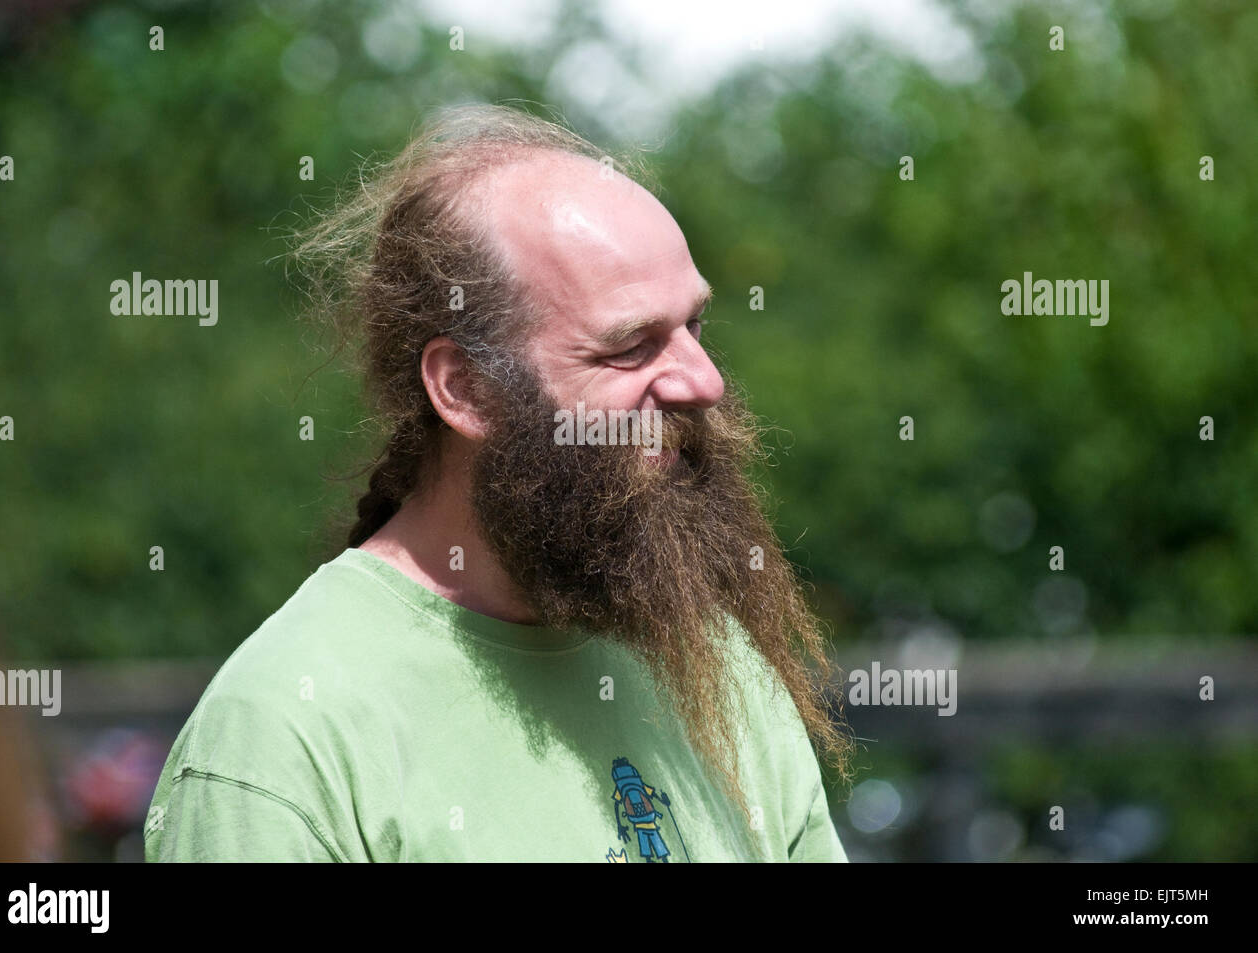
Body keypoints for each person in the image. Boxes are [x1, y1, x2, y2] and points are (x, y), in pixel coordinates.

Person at [145, 103, 854, 862]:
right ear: (468, 390)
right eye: (630, 346)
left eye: (696, 327)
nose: (702, 381)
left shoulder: (712, 663)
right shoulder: (286, 733)